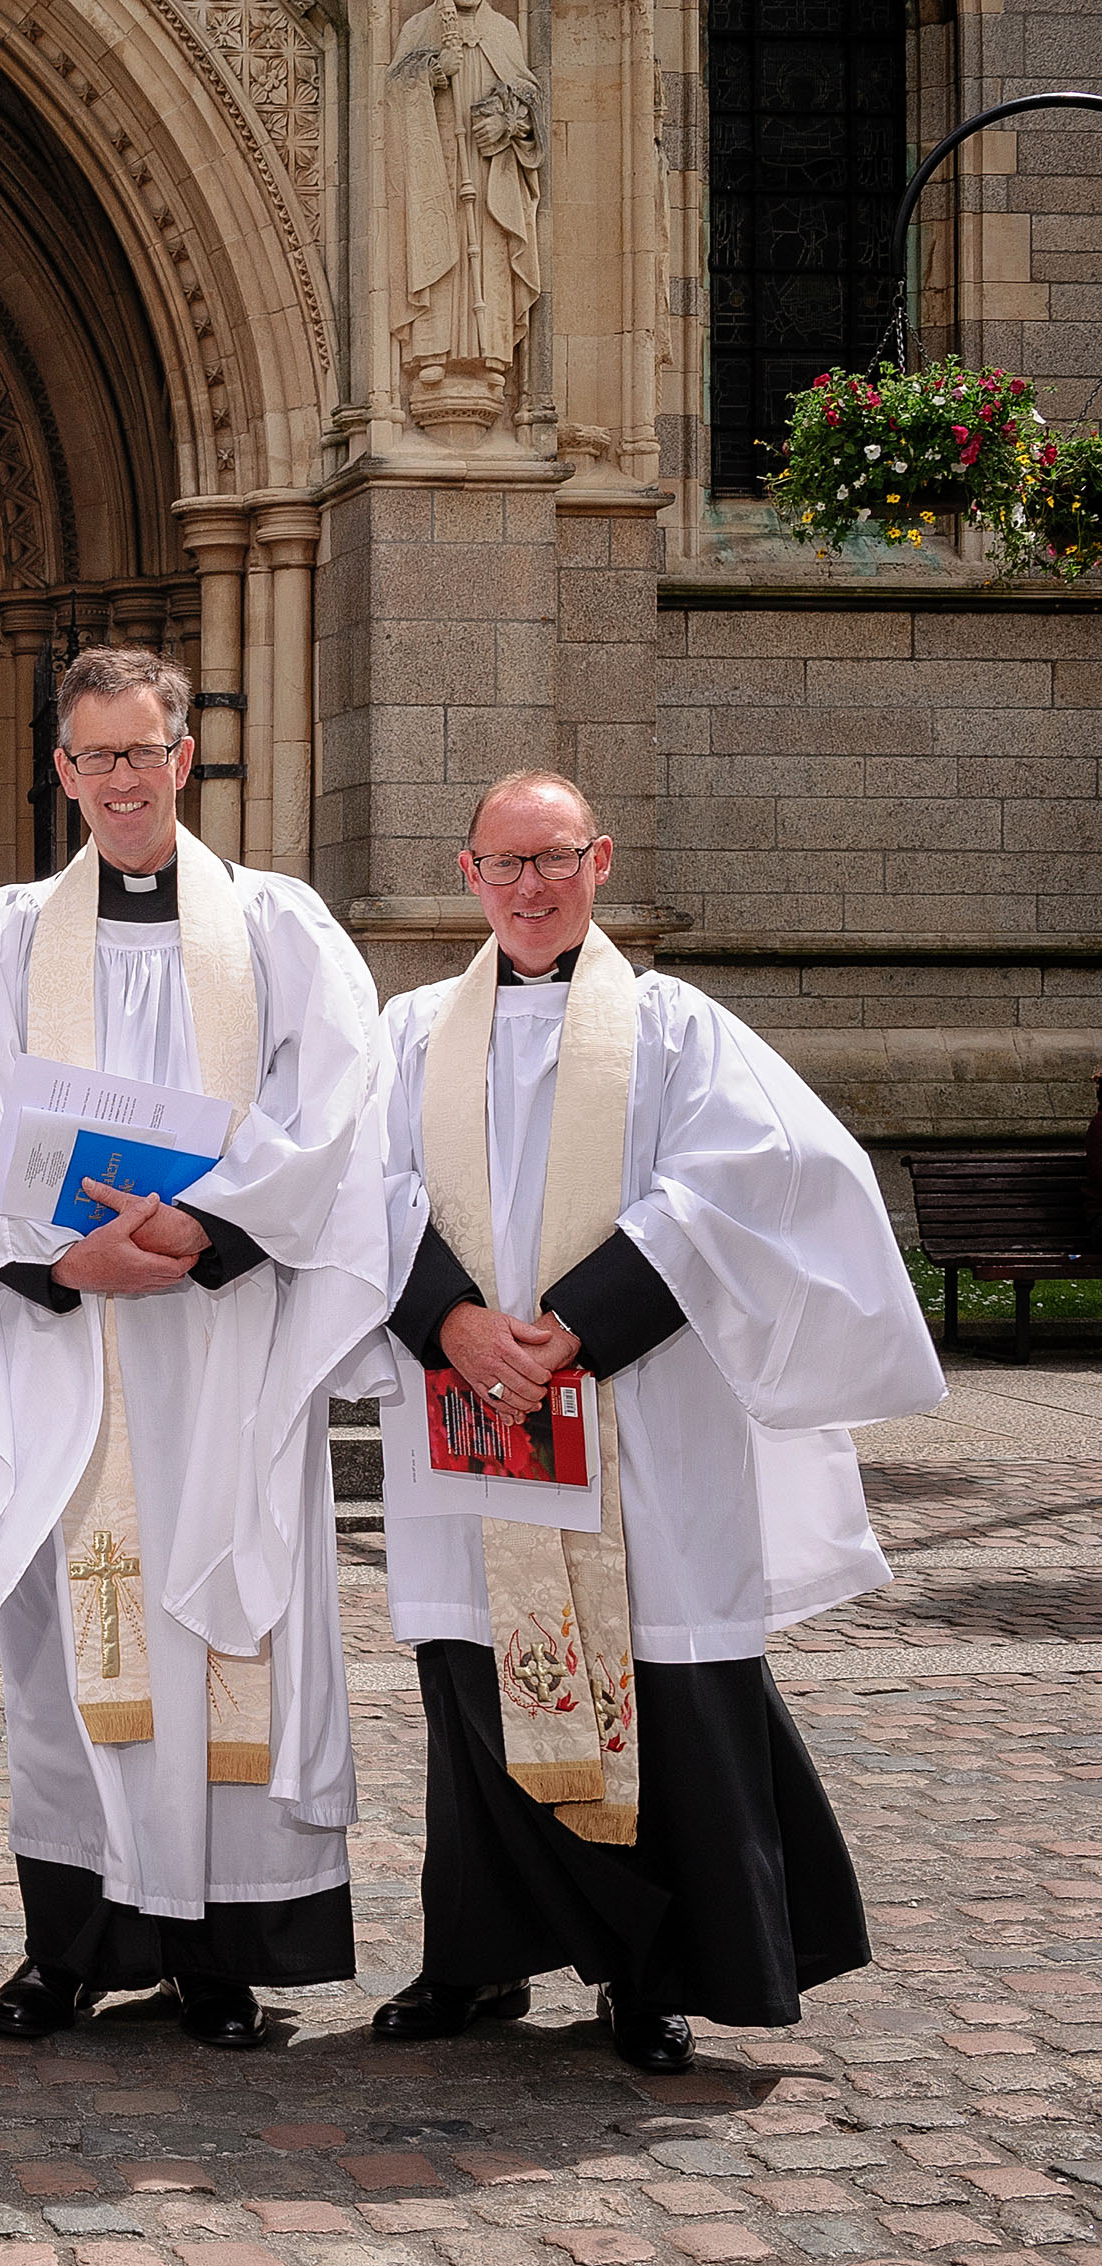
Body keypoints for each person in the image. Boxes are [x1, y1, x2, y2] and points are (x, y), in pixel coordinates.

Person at [367, 770, 943, 2072]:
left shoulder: (677, 1028)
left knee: (665, 1686)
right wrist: (456, 1326)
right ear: (465, 876)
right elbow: (359, 1187)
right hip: (467, 1417)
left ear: (600, 861)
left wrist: (579, 1322)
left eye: (553, 858)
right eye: (503, 863)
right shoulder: (407, 1033)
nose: (528, 886)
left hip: (639, 1419)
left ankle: (653, 1970)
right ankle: (477, 1958)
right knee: (476, 1680)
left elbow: (756, 1184)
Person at [0, 646, 390, 2050]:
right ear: (59, 772)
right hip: (75, 1339)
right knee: (71, 1633)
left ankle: (218, 1953)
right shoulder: (8, 932)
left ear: (186, 757)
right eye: (93, 758)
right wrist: (63, 1256)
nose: (120, 781)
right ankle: (71, 1944)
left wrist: (210, 1228)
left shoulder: (278, 926)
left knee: (219, 1616)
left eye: (142, 752)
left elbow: (339, 1103)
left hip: (224, 1333)